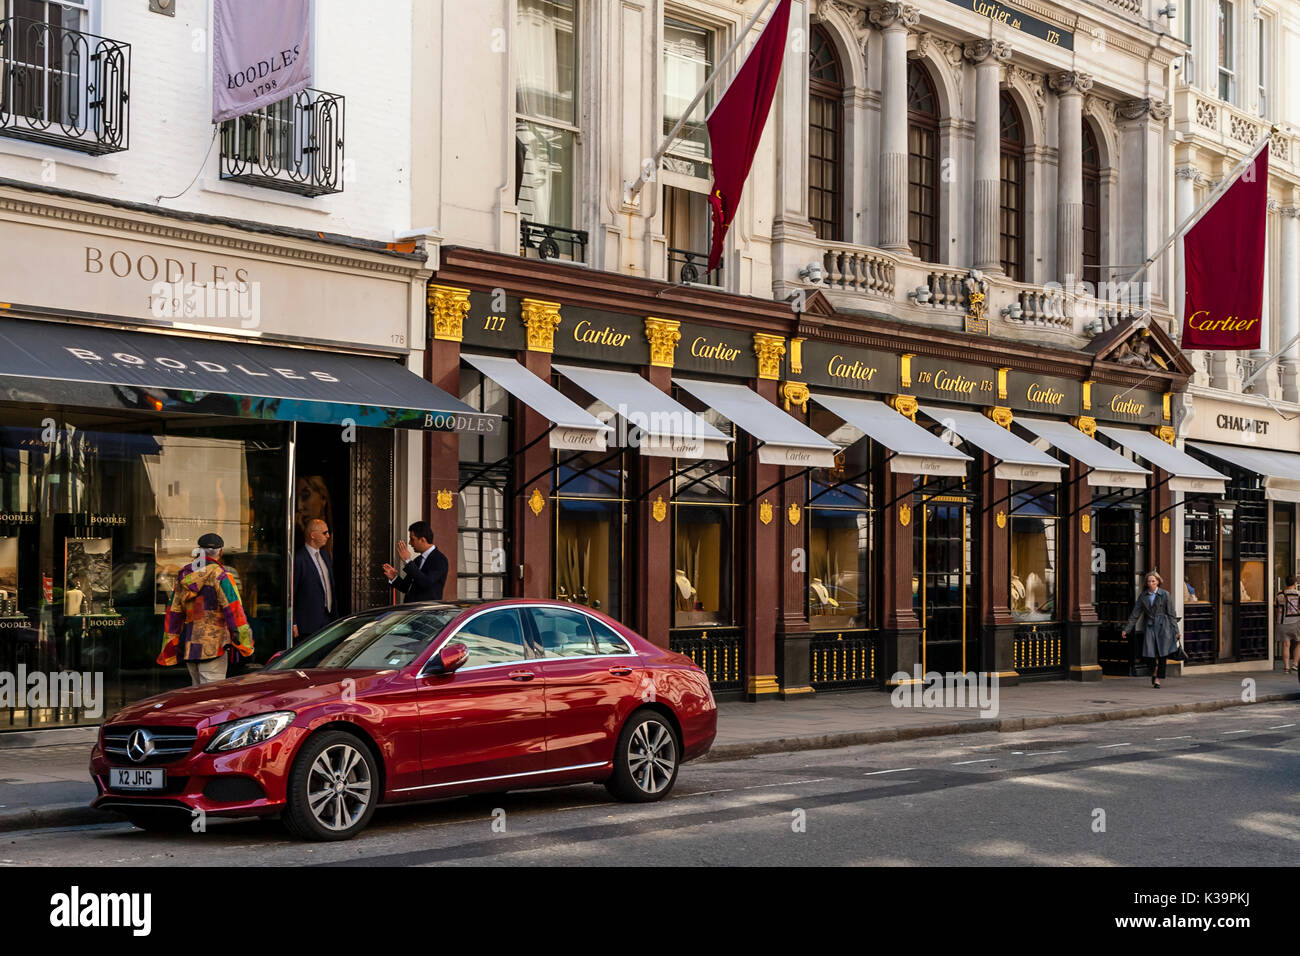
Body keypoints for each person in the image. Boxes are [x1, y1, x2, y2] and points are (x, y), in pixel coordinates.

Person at [157, 533, 254, 685]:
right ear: (220, 552)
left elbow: (173, 613)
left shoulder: (184, 577)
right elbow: (234, 612)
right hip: (213, 648)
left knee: (197, 698)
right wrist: (245, 644)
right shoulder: (222, 576)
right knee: (212, 699)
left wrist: (171, 647)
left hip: (190, 647)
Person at [1121, 570, 1180, 688]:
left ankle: (1158, 678)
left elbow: (1171, 614)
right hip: (1150, 626)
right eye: (1149, 581)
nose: (1151, 583)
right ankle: (1154, 670)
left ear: (1158, 582)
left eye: (1153, 581)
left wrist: (1176, 631)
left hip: (1164, 626)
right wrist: (1126, 629)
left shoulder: (1165, 594)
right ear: (1146, 583)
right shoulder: (1143, 596)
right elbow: (1135, 614)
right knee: (1149, 654)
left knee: (1162, 654)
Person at [293, 518, 337, 641]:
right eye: (324, 533)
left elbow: (329, 588)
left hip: (327, 620)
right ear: (313, 535)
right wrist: (293, 622)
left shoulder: (325, 556)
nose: (328, 536)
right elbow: (292, 593)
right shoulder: (299, 559)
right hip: (307, 624)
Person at [382, 520, 447, 603]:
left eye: (412, 539)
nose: (410, 543)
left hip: (426, 611)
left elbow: (426, 582)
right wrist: (394, 577)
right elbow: (406, 587)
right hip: (411, 611)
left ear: (423, 540)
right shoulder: (418, 560)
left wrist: (407, 561)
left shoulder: (439, 559)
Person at [1275, 574, 1300, 675]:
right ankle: (1294, 664)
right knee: (1299, 642)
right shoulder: (1298, 594)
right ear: (1295, 583)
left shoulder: (1279, 594)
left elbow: (1277, 609)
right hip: (1296, 622)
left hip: (1282, 622)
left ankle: (1286, 667)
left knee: (1286, 645)